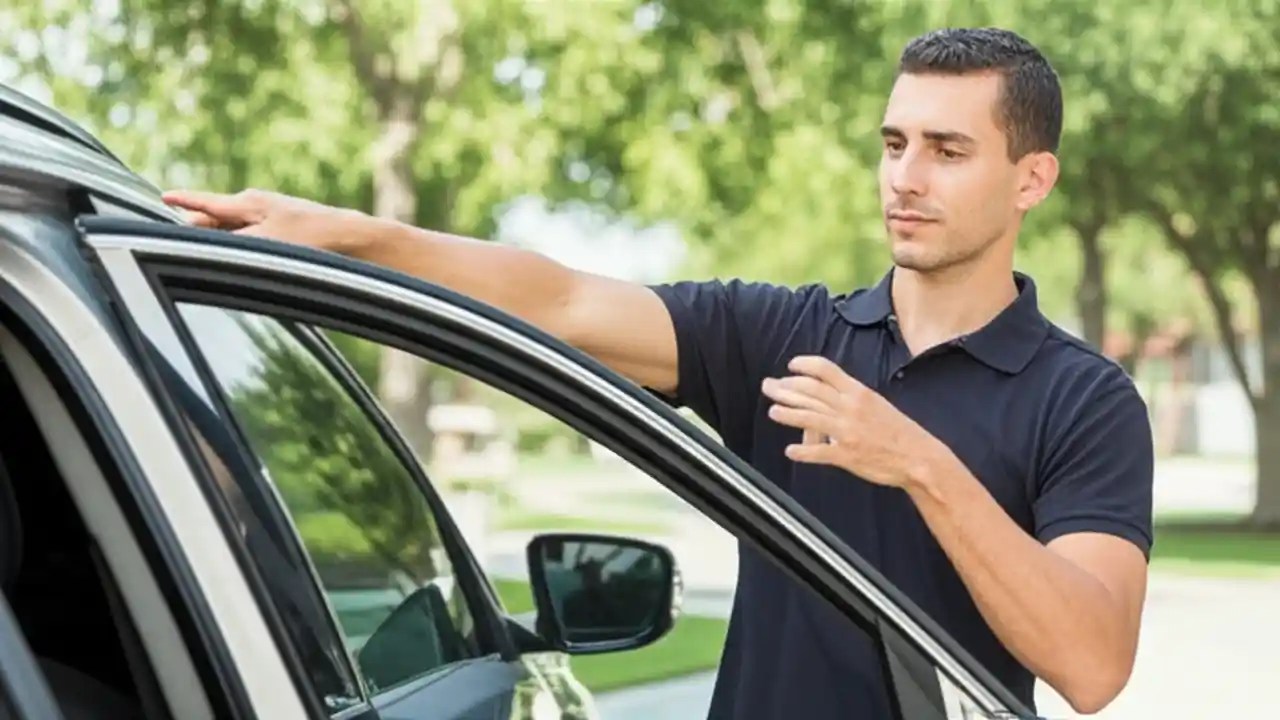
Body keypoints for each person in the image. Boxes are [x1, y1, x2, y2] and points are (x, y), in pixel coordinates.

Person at [163, 26, 1152, 719]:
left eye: (945, 150)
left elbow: (1091, 663)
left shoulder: (1082, 400)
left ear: (1030, 179)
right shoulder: (783, 336)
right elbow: (558, 301)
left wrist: (919, 465)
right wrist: (351, 235)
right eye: (893, 144)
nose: (904, 175)